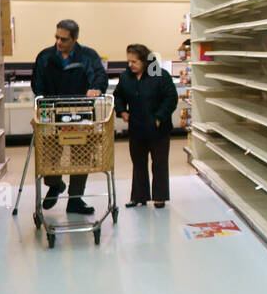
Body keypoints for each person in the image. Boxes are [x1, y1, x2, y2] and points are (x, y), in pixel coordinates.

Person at [32, 19, 108, 214]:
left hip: (80, 113)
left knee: (80, 157)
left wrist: (96, 88)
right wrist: (41, 106)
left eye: (64, 39)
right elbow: (37, 84)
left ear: (75, 38)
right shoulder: (46, 57)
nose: (58, 42)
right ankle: (55, 184)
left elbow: (100, 76)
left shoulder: (87, 56)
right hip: (51, 114)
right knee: (48, 155)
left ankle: (75, 199)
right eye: (56, 37)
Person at [114, 44, 177, 209]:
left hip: (158, 128)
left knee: (159, 162)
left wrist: (159, 117)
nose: (130, 65)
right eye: (128, 61)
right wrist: (122, 111)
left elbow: (171, 98)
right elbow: (118, 96)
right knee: (138, 162)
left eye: (134, 62)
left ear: (144, 61)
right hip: (136, 127)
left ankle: (160, 197)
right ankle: (139, 196)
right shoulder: (126, 77)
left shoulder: (160, 75)